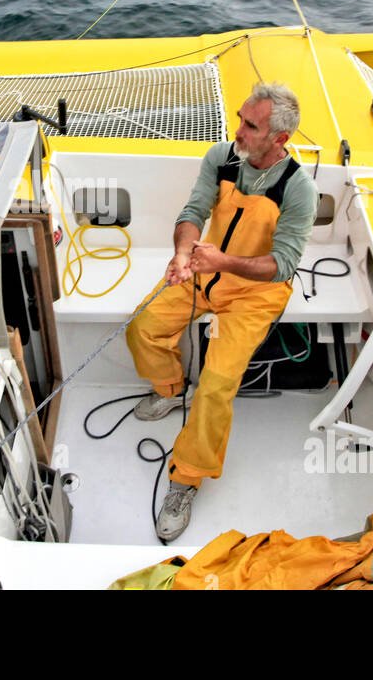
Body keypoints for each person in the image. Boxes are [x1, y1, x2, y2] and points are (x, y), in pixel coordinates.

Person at [124, 82, 317, 542]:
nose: (239, 130)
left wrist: (223, 262)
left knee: (215, 385)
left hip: (257, 291)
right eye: (240, 118)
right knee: (142, 326)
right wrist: (182, 254)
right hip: (202, 272)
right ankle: (169, 390)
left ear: (279, 139)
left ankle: (186, 479)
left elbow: (283, 265)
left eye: (250, 125)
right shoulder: (221, 158)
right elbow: (193, 212)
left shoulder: (299, 190)